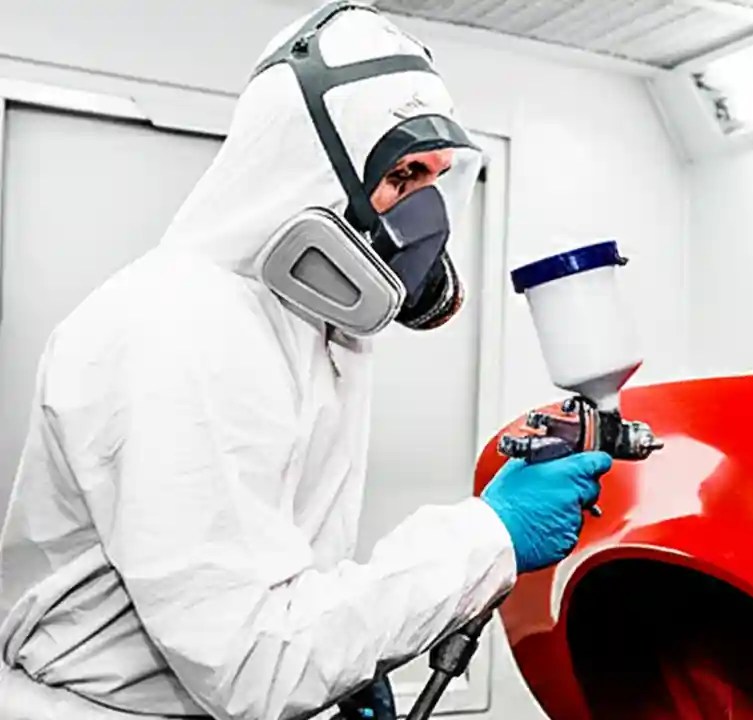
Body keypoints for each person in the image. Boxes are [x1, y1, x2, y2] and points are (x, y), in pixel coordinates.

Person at [0, 3, 610, 719]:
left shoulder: (309, 326)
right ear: (311, 174)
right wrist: (489, 533)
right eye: (404, 173)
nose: (425, 216)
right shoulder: (181, 331)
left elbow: (268, 589)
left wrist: (352, 655)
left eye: (436, 178)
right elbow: (253, 664)